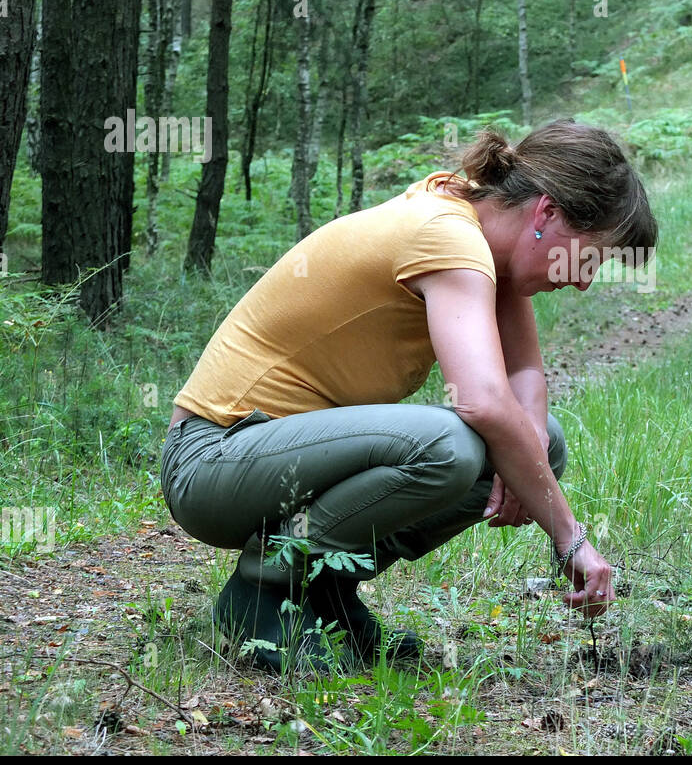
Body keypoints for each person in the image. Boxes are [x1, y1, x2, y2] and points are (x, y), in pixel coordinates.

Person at [159, 119, 658, 673]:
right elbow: (485, 404)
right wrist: (569, 537)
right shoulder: (448, 235)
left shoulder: (475, 228)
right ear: (546, 213)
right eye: (588, 257)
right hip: (212, 459)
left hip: (270, 463)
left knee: (545, 444)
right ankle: (261, 588)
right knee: (452, 446)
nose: (584, 280)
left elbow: (526, 381)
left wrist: (530, 463)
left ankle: (325, 591)